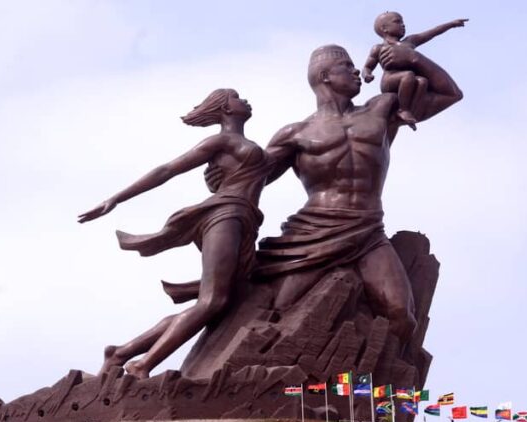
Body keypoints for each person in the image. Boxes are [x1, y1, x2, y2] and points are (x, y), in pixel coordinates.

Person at [239, 43, 462, 348]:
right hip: (312, 232)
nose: (357, 70)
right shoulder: (295, 133)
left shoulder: (381, 109)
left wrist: (412, 56)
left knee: (401, 316)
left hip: (369, 230)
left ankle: (365, 392)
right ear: (325, 76)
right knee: (276, 311)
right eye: (347, 65)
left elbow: (450, 93)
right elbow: (251, 178)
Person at [78, 89, 271, 378]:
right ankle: (141, 365)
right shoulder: (222, 141)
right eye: (236, 97)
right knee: (213, 301)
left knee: (223, 303)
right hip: (225, 215)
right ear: (224, 109)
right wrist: (117, 198)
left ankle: (121, 352)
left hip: (245, 220)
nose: (244, 100)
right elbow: (168, 169)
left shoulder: (247, 147)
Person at [362, 12, 467, 130]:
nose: (403, 25)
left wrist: (451, 24)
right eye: (397, 22)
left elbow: (431, 33)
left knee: (422, 81)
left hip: (407, 80)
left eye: (403, 22)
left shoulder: (409, 42)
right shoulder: (379, 48)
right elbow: (367, 66)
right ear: (384, 28)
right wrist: (367, 75)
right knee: (408, 75)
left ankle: (412, 110)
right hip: (390, 79)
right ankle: (403, 110)